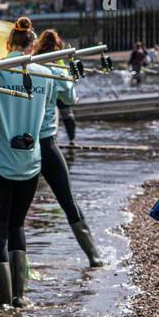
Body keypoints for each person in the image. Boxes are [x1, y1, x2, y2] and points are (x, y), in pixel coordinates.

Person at [0, 16, 49, 307]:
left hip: (0, 165)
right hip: (31, 163)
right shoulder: (47, 74)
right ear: (32, 45)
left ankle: (3, 302)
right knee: (17, 226)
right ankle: (20, 297)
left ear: (8, 44)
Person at [33, 30, 104, 267]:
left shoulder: (25, 66)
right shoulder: (57, 70)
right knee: (68, 200)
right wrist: (65, 70)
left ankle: (15, 285)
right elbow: (71, 99)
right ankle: (95, 257)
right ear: (58, 48)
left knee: (15, 214)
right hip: (47, 143)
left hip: (21, 146)